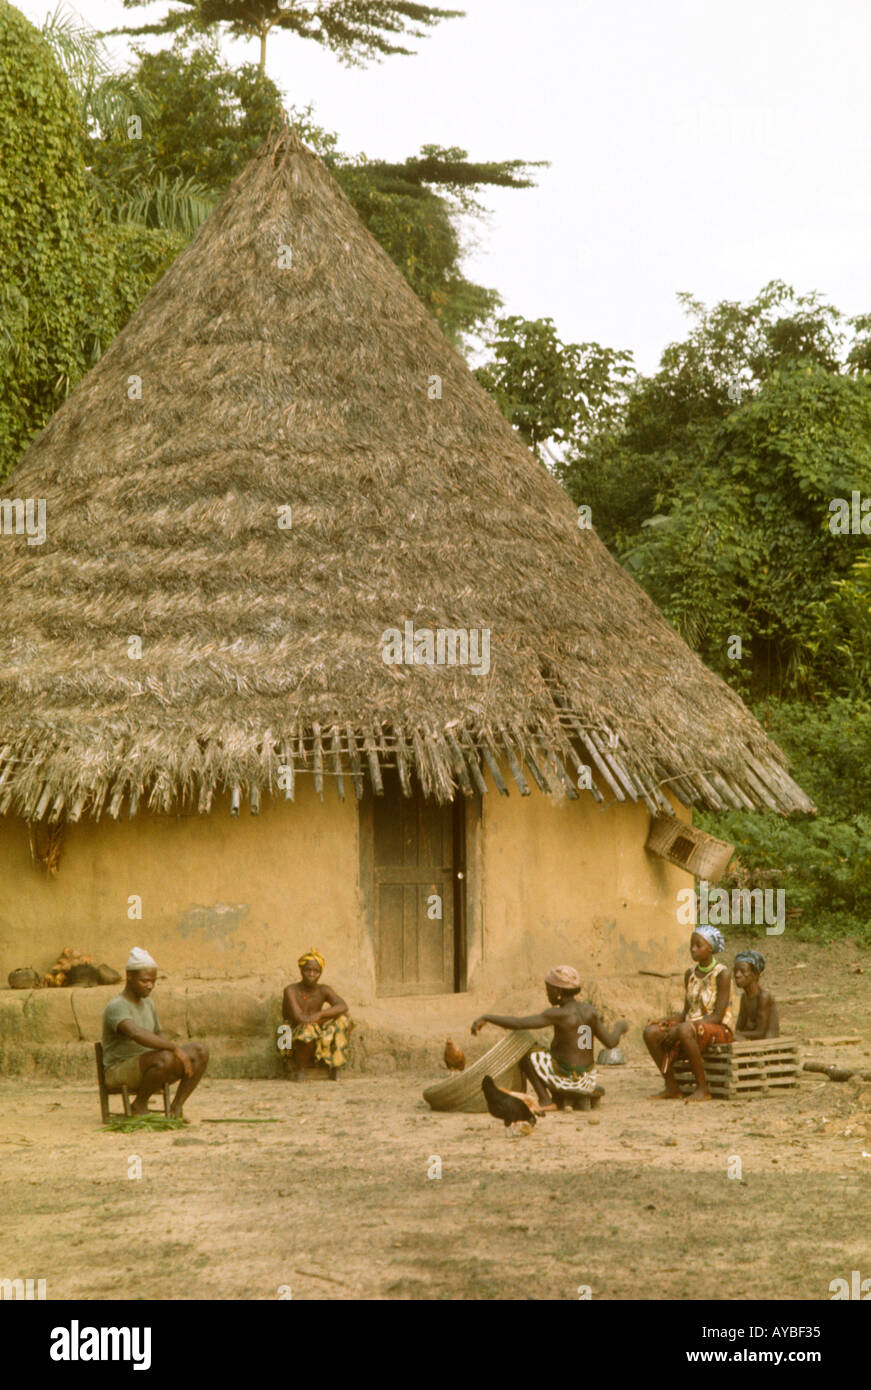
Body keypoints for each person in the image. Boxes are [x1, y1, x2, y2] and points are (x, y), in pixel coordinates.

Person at [470, 965, 629, 1111]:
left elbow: (518, 1024)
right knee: (554, 1053)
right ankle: (562, 1096)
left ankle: (545, 1100)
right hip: (587, 1079)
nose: (547, 993)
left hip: (567, 1078)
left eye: (548, 989)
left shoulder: (558, 1014)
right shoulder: (590, 1012)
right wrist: (620, 1026)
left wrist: (488, 1017)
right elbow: (610, 1042)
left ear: (558, 992)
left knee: (525, 1051)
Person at [101, 948, 209, 1118]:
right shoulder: (117, 1005)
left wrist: (174, 1054)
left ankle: (176, 1107)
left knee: (200, 1051)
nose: (150, 985)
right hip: (120, 1069)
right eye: (145, 981)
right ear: (129, 976)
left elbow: (158, 1033)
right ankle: (139, 1105)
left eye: (153, 981)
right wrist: (173, 1049)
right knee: (165, 1058)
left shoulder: (148, 1004)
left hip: (152, 1064)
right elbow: (135, 1033)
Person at [643, 926, 733, 1102]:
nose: (693, 949)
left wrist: (684, 1027)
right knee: (651, 1032)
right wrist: (667, 1021)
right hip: (691, 1027)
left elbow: (718, 1016)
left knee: (684, 1030)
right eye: (692, 945)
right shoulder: (690, 974)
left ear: (711, 948)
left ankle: (703, 1089)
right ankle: (672, 1086)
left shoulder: (722, 974)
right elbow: (687, 1011)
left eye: (698, 945)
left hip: (718, 1028)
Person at [282, 949, 352, 1079]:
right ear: (301, 970)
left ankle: (335, 1066)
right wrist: (318, 1019)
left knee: (343, 1020)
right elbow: (300, 1018)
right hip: (290, 1035)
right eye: (308, 970)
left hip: (314, 1028)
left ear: (320, 973)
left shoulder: (323, 990)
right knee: (307, 1028)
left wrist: (319, 1015)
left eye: (316, 971)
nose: (312, 974)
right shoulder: (290, 990)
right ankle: (301, 1069)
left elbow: (343, 1006)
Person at [734, 950, 779, 1039]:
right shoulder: (744, 997)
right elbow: (739, 1027)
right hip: (751, 1040)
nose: (737, 975)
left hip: (766, 1043)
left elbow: (760, 1033)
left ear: (755, 975)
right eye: (735, 971)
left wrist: (734, 1035)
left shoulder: (763, 997)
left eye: (743, 971)